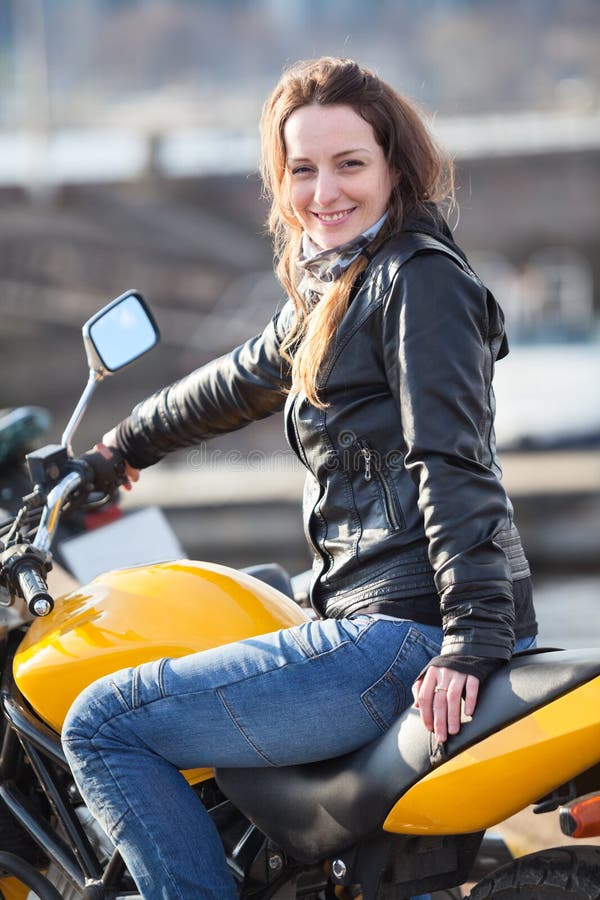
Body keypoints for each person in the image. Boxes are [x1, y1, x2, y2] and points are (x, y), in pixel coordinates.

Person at [62, 57, 538, 899]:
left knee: (103, 722)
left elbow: (452, 459)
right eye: (302, 169)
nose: (324, 191)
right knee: (252, 593)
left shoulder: (414, 280)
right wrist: (121, 448)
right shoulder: (340, 287)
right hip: (386, 615)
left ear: (395, 163)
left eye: (349, 164)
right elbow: (235, 380)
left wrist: (472, 633)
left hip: (404, 631)